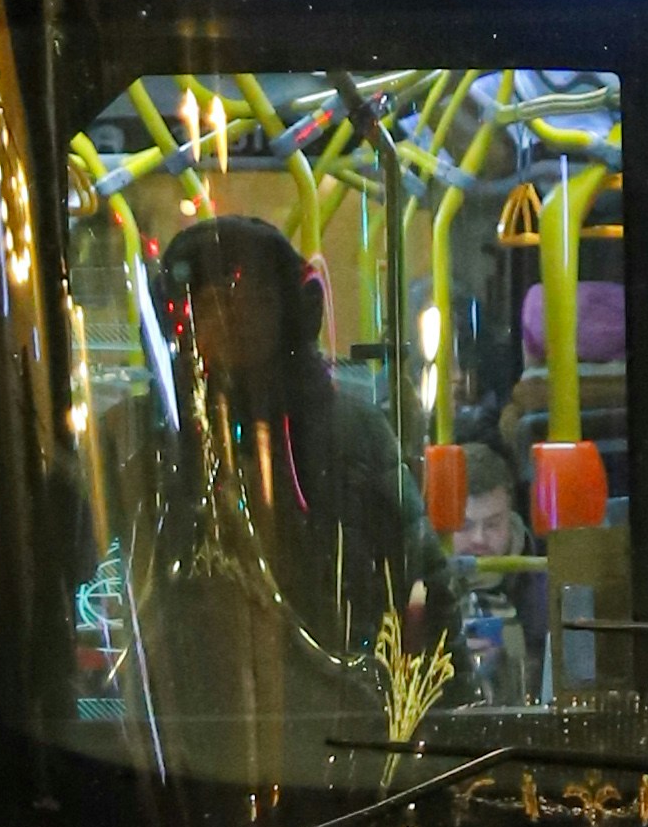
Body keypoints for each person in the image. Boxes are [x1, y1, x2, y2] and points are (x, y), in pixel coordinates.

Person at [151, 213, 451, 662]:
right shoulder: (158, 436)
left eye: (255, 300)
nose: (234, 318)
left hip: (337, 693)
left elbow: (424, 579)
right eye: (214, 302)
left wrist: (450, 701)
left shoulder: (352, 432)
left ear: (287, 313)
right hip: (187, 696)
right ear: (185, 320)